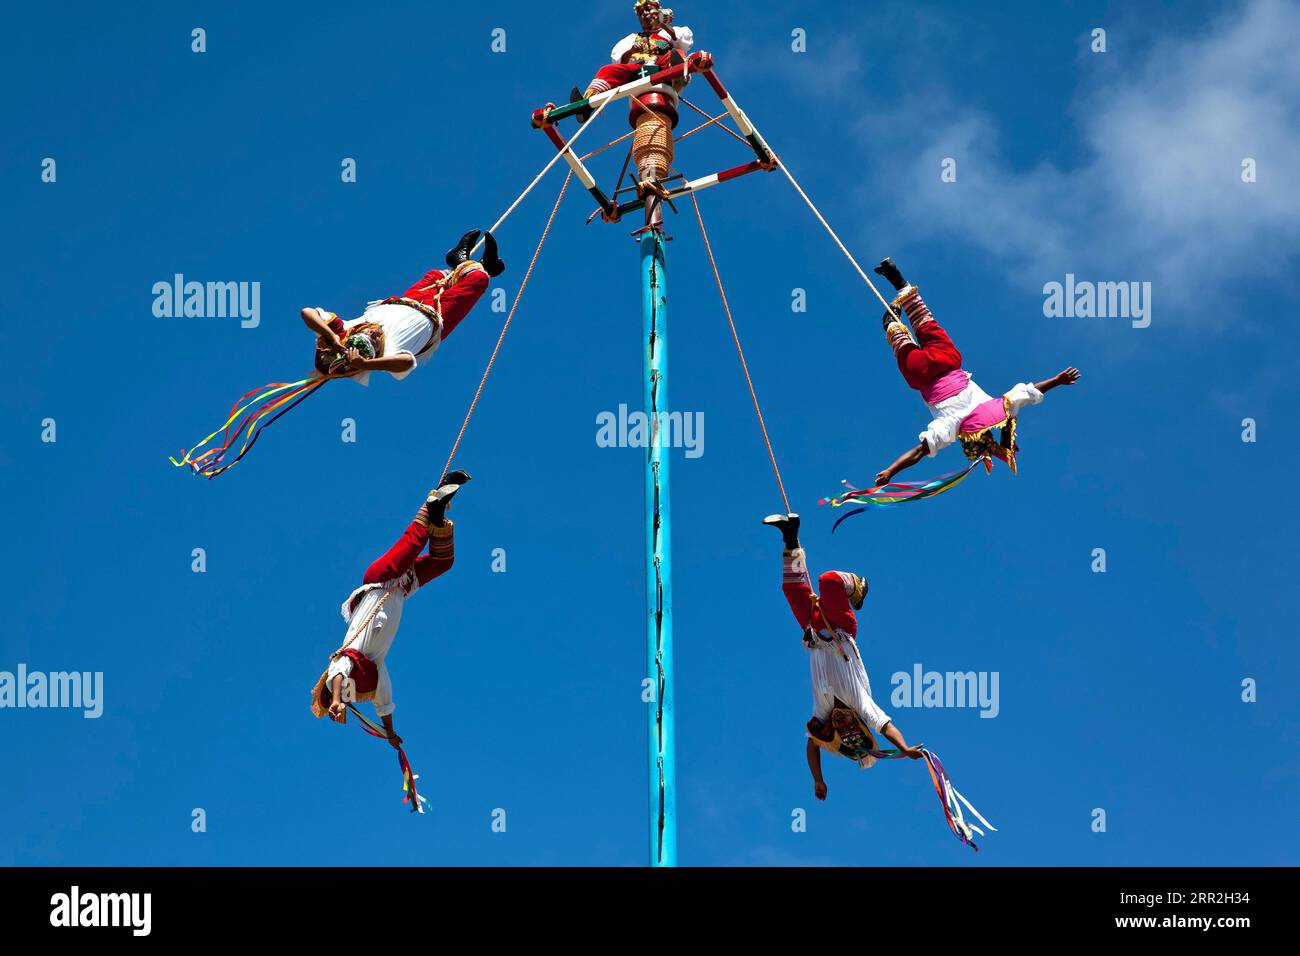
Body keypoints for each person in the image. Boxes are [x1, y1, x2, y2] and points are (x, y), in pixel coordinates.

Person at [872, 257, 1080, 484]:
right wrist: (891, 471)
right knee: (895, 329)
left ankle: (897, 279)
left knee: (923, 319)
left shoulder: (994, 406)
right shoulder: (951, 427)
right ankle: (892, 312)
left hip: (947, 360)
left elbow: (1027, 392)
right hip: (921, 373)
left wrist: (1057, 380)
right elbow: (920, 452)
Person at [761, 512, 923, 802]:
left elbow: (812, 746)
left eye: (842, 730)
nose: (844, 724)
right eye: (852, 728)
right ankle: (857, 589)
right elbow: (886, 726)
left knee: (792, 588)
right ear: (859, 725)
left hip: (812, 627)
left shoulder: (823, 711)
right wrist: (905, 749)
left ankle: (790, 534)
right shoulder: (861, 705)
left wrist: (818, 781)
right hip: (839, 627)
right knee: (829, 580)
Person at [309, 471, 471, 747]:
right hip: (403, 585)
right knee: (442, 562)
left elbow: (338, 671)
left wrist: (335, 700)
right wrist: (390, 734)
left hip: (380, 580)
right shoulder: (376, 666)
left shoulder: (348, 655)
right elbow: (384, 703)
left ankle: (433, 502)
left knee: (413, 540)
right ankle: (439, 509)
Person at [300, 230, 505, 386]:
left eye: (367, 334)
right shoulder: (389, 351)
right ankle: (483, 266)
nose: (372, 333)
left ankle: (459, 260)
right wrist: (365, 365)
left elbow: (307, 312)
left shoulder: (347, 329)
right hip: (437, 318)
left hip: (406, 301)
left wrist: (332, 337)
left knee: (434, 276)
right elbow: (406, 362)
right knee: (478, 279)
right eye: (374, 341)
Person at [567, 1, 695, 124]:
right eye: (641, 13)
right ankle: (587, 106)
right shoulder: (632, 38)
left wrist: (663, 25)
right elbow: (620, 62)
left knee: (676, 53)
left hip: (663, 67)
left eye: (649, 9)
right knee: (607, 70)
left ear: (659, 11)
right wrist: (632, 50)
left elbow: (681, 42)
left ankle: (679, 76)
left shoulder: (669, 32)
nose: (645, 14)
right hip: (638, 68)